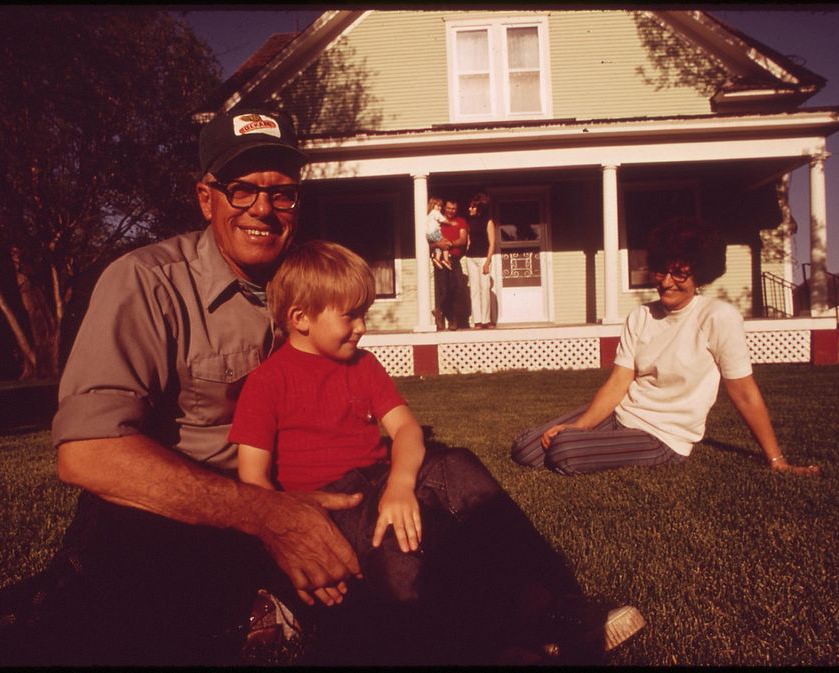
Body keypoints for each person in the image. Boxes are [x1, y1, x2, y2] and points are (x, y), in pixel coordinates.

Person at [0, 107, 366, 666]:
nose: (264, 208)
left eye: (282, 193)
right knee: (42, 639)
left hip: (288, 502)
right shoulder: (146, 281)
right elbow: (88, 455)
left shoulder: (310, 283)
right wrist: (269, 516)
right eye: (242, 190)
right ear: (205, 197)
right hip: (167, 521)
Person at [229, 239, 646, 665]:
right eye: (350, 315)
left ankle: (556, 601)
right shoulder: (267, 383)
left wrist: (401, 483)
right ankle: (499, 647)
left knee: (454, 465)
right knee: (406, 562)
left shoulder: (363, 364)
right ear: (300, 318)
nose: (361, 327)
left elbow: (406, 429)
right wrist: (296, 536)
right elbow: (253, 480)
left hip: (382, 481)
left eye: (364, 314)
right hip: (334, 508)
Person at [511, 217, 823, 478]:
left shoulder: (718, 317)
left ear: (699, 274)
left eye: (680, 273)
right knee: (527, 446)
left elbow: (744, 392)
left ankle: (581, 443)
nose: (667, 282)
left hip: (663, 436)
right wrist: (577, 426)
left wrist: (776, 460)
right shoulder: (641, 315)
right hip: (623, 415)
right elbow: (618, 383)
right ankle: (581, 438)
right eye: (661, 271)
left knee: (564, 451)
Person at [430, 199, 468, 330]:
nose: (451, 211)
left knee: (457, 287)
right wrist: (438, 245)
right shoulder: (436, 222)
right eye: (449, 208)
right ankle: (450, 318)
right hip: (440, 260)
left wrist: (449, 244)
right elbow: (429, 241)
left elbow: (463, 240)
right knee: (443, 290)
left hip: (455, 259)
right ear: (444, 208)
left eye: (454, 209)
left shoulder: (461, 222)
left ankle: (440, 310)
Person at [464, 191, 496, 328]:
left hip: (484, 257)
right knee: (474, 289)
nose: (469, 209)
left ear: (479, 208)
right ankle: (477, 321)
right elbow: (468, 240)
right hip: (471, 258)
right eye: (469, 206)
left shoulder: (488, 222)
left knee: (484, 287)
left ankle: (486, 320)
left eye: (472, 207)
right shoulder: (469, 222)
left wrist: (488, 262)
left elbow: (492, 243)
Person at [425, 196, 452, 269]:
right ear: (433, 205)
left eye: (441, 206)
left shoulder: (429, 214)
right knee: (445, 244)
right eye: (438, 206)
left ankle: (437, 259)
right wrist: (451, 223)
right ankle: (446, 260)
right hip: (434, 232)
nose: (440, 208)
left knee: (439, 247)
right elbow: (443, 220)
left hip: (428, 235)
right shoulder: (435, 212)